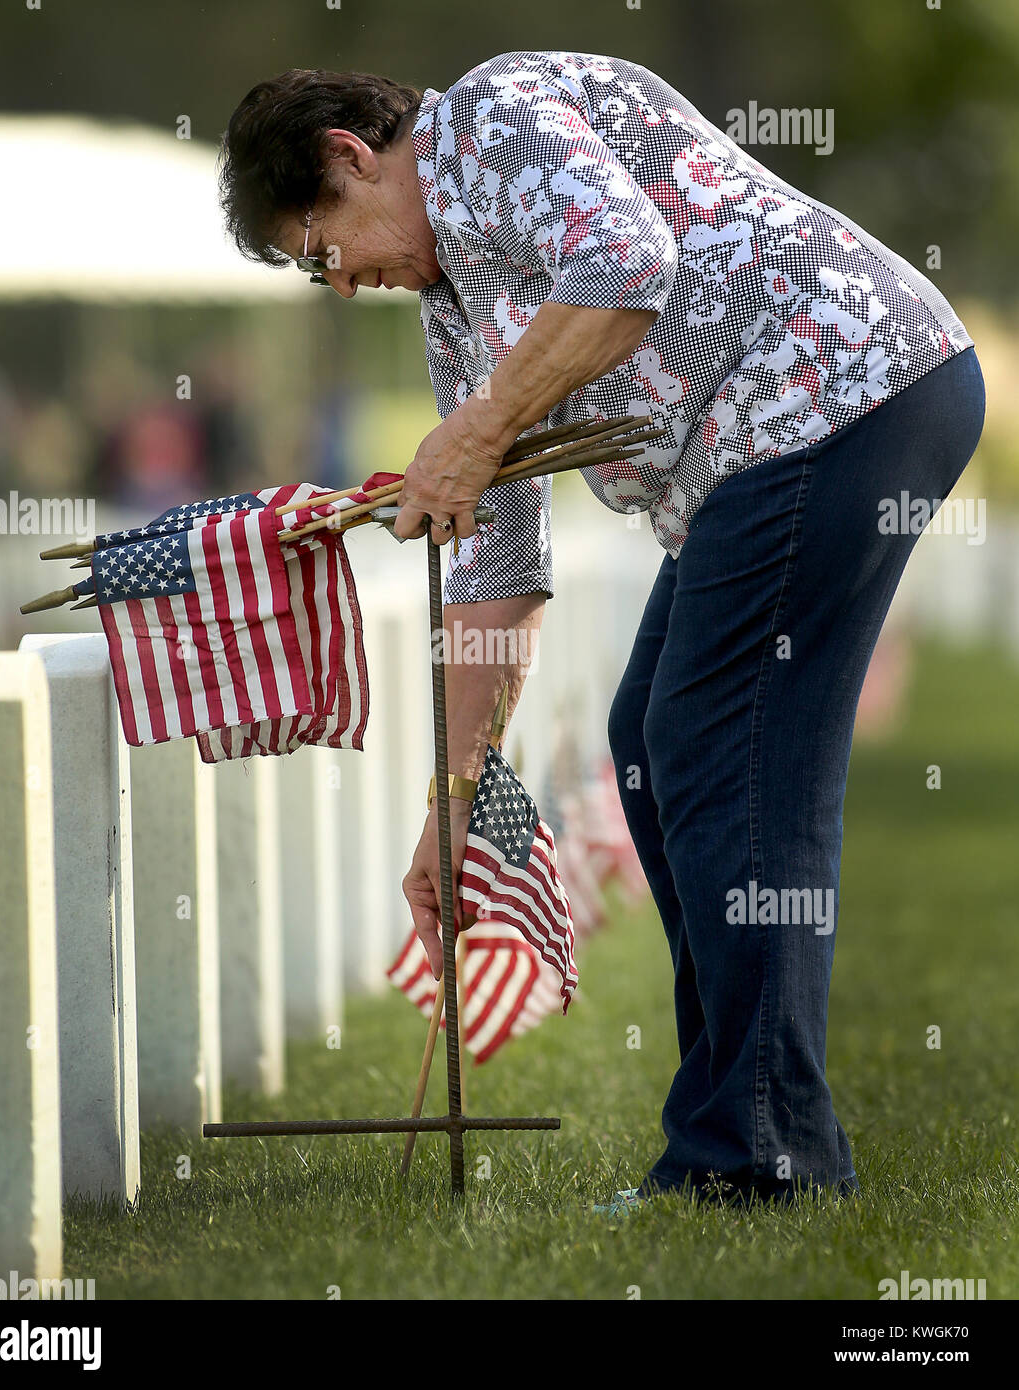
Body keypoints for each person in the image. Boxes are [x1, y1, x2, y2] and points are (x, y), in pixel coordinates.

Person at [218, 50, 986, 1204]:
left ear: (350, 155)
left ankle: (760, 1157)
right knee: (649, 740)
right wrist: (453, 801)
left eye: (324, 249)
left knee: (717, 746)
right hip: (786, 439)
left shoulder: (488, 115)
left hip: (841, 395)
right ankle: (750, 1130)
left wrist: (477, 434)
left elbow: (626, 262)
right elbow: (501, 561)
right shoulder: (452, 311)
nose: (337, 283)